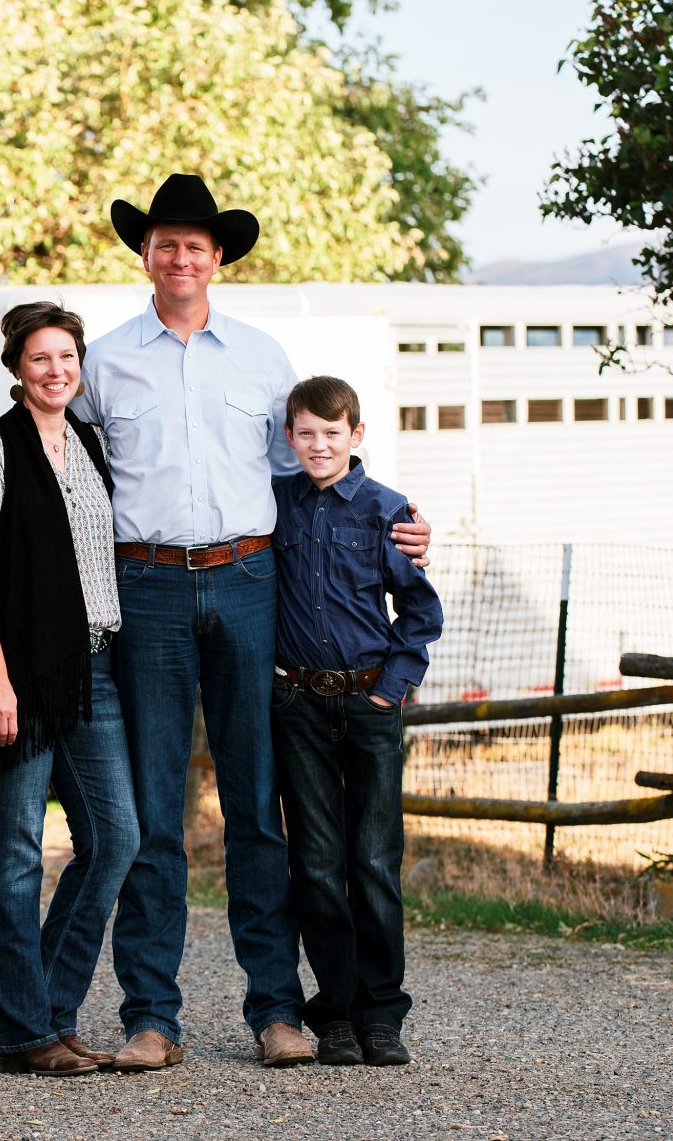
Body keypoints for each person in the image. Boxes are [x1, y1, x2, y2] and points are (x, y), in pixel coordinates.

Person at [69, 173, 431, 1070]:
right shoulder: (106, 360)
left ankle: (275, 1007)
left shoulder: (264, 359)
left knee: (257, 808)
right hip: (144, 583)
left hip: (246, 581)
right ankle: (151, 1016)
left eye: (196, 243)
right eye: (164, 243)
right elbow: (73, 476)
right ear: (144, 255)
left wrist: (391, 518)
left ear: (218, 256)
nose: (180, 256)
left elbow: (311, 474)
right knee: (155, 811)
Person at [0, 302, 140, 1077]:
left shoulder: (90, 444)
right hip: (17, 676)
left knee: (115, 837)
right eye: (40, 360)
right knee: (18, 851)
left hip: (91, 668)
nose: (56, 371)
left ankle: (53, 1015)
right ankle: (23, 1033)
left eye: (67, 357)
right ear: (16, 371)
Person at [270, 375, 442, 1067]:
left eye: (331, 434)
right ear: (290, 437)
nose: (318, 444)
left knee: (372, 860)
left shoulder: (386, 510)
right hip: (298, 705)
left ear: (356, 436)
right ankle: (334, 1014)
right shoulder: (272, 503)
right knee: (314, 862)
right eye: (306, 433)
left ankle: (381, 1013)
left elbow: (421, 611)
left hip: (369, 702)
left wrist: (391, 690)